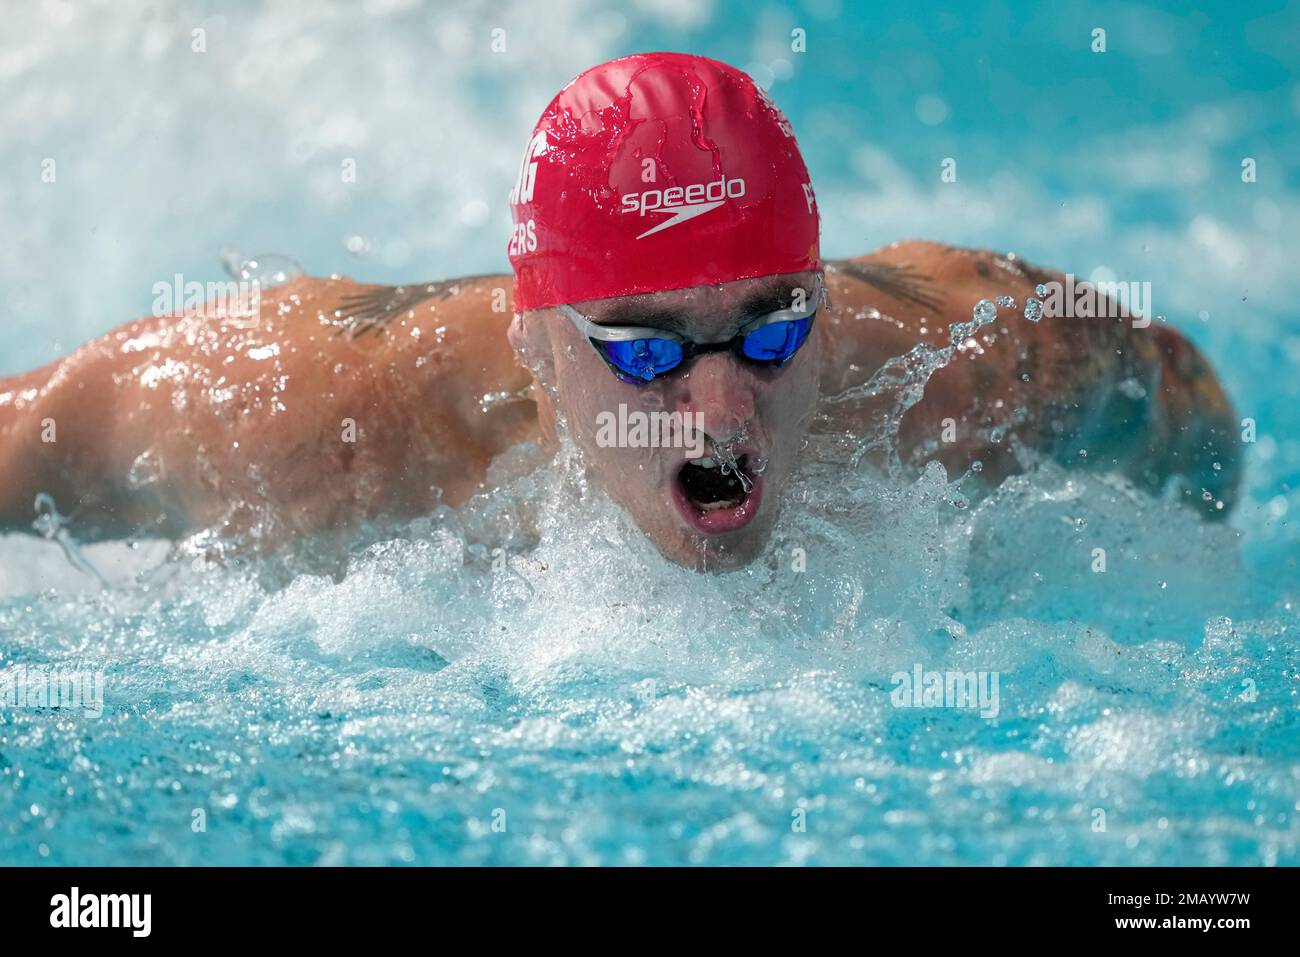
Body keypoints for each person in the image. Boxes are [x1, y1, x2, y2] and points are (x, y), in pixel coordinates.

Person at [0, 52, 1239, 571]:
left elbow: (1191, 411)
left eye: (771, 332)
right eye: (644, 349)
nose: (720, 412)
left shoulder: (965, 370)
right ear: (535, 340)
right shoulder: (299, 426)